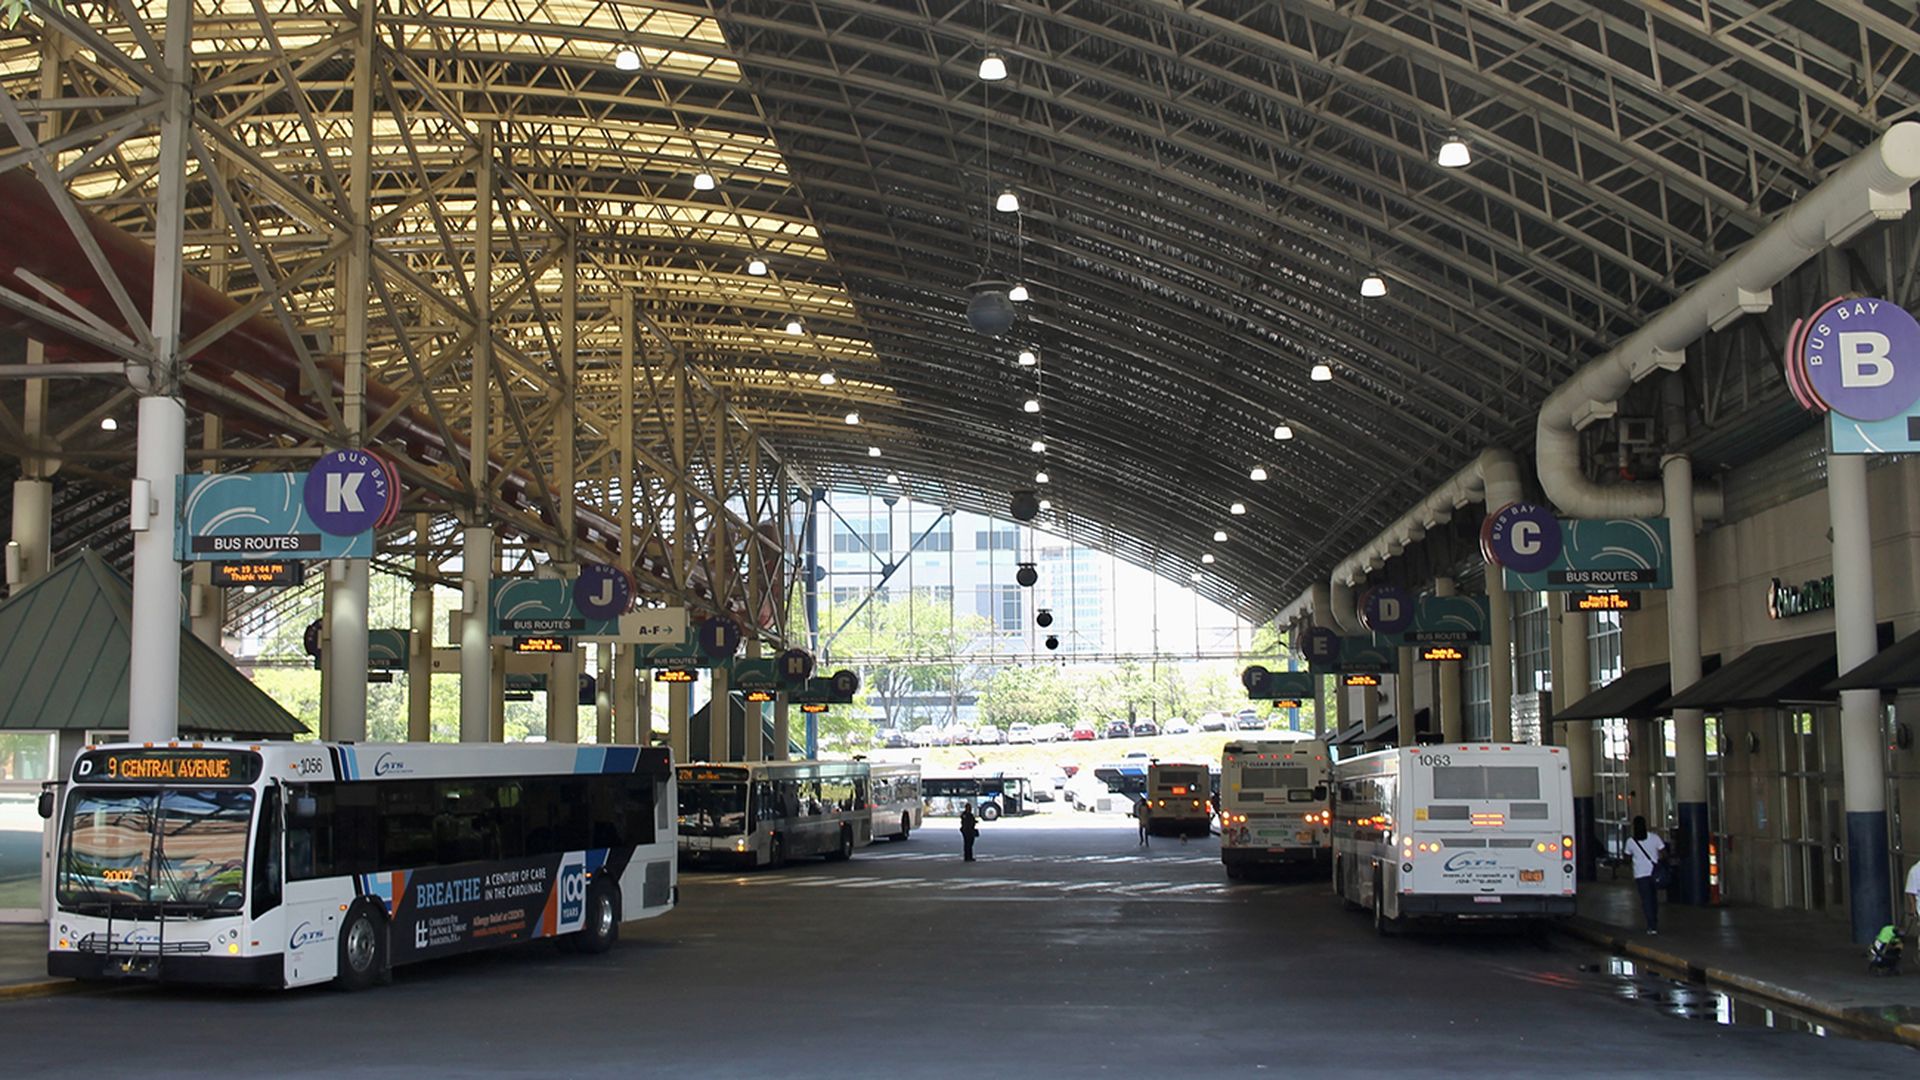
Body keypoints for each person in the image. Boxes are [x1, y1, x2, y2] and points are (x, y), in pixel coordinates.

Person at [1629, 815, 1667, 935]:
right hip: (1654, 873)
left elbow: (1626, 856)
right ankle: (1654, 920)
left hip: (1640, 875)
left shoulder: (1631, 841)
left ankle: (1651, 925)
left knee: (1646, 900)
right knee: (1654, 898)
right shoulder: (1654, 838)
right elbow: (1663, 852)